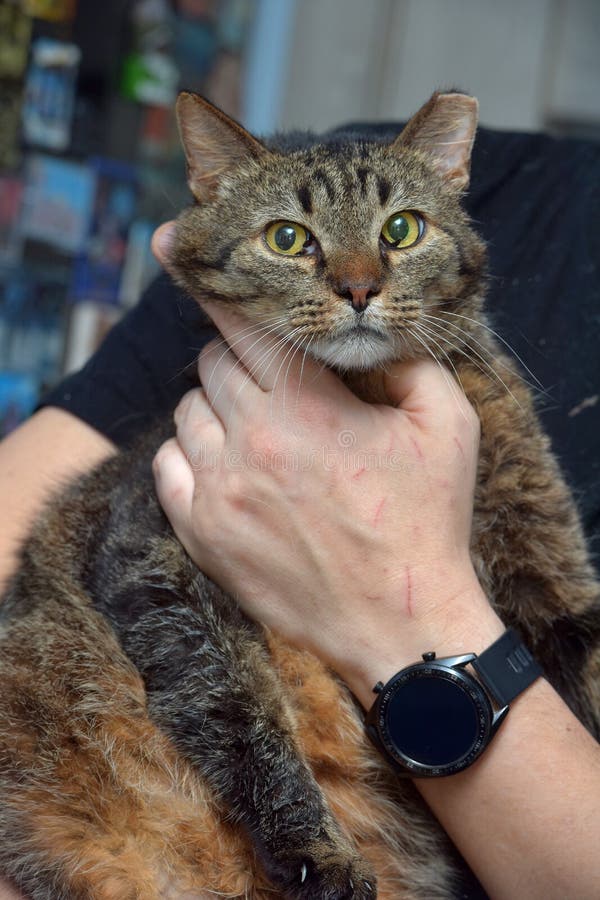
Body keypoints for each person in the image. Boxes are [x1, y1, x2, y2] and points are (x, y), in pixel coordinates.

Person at [0, 125, 599, 899]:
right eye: (293, 240)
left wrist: (405, 606)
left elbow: (562, 620)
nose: (358, 282)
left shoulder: (490, 402)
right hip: (105, 814)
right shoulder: (220, 374)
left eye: (399, 233)